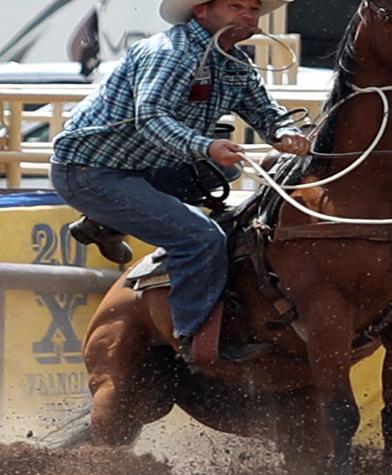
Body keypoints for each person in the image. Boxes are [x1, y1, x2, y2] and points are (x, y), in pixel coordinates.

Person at [50, 0, 309, 359]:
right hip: (91, 171)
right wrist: (205, 145)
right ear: (202, 11)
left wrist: (285, 131)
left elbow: (264, 110)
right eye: (236, 6)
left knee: (224, 170)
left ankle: (103, 223)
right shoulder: (170, 53)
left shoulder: (235, 63)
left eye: (253, 9)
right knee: (201, 237)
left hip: (140, 165)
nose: (248, 16)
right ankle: (192, 336)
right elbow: (151, 118)